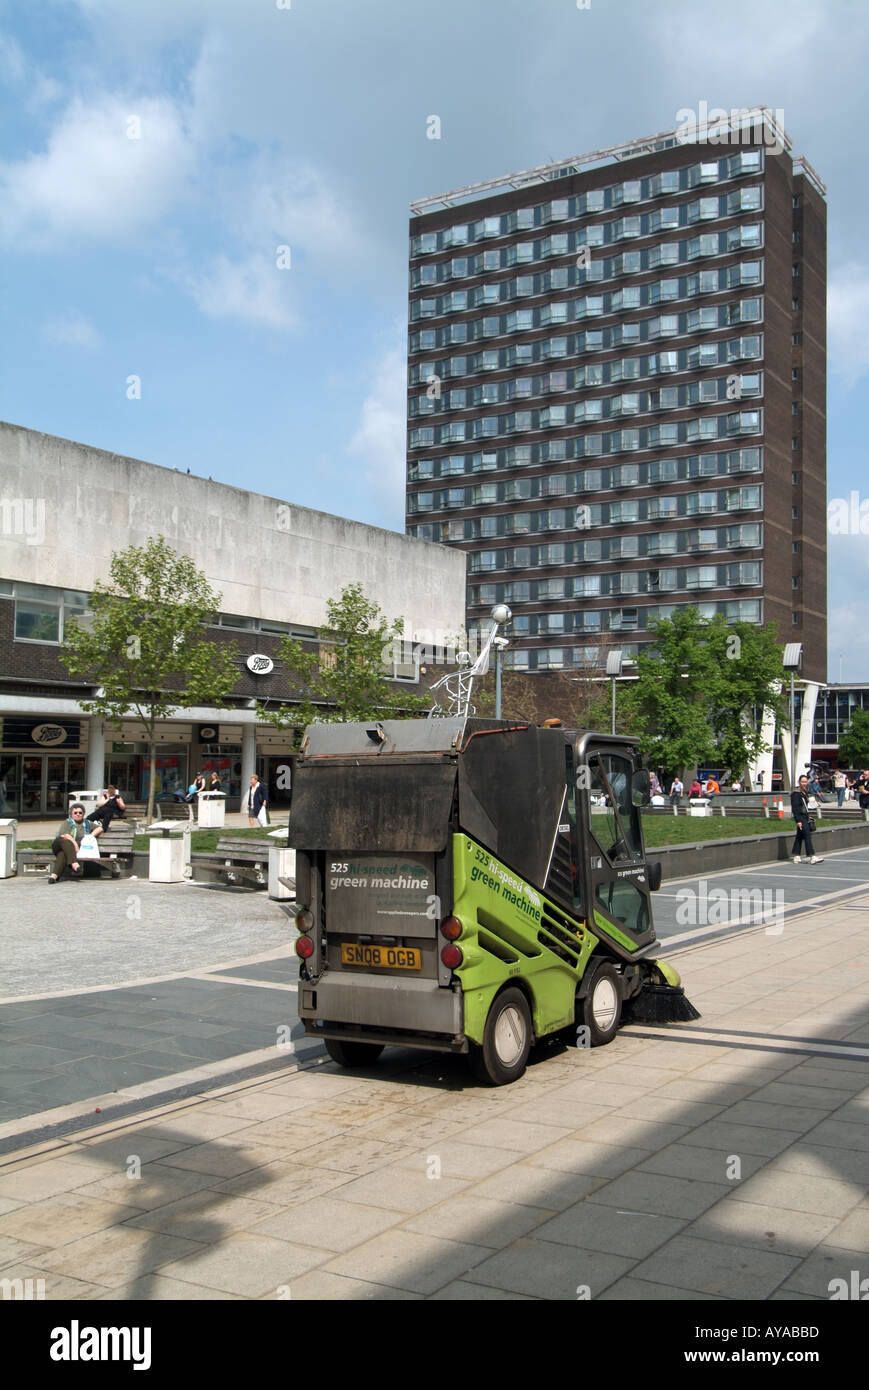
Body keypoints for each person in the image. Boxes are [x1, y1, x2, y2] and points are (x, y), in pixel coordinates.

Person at [49, 803, 102, 883]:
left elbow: (100, 828)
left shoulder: (87, 823)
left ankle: (54, 876)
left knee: (62, 854)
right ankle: (74, 863)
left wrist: (90, 836)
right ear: (71, 814)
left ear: (83, 814)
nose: (78, 814)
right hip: (59, 845)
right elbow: (65, 835)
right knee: (65, 840)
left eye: (80, 812)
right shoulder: (67, 822)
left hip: (69, 851)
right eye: (75, 813)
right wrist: (75, 845)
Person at [790, 774, 823, 865]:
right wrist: (798, 821)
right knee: (807, 835)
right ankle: (812, 856)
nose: (804, 783)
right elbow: (795, 808)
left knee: (800, 836)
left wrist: (816, 804)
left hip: (805, 816)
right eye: (802, 782)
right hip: (801, 817)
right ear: (799, 782)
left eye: (805, 782)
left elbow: (807, 805)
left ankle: (796, 856)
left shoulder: (805, 792)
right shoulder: (796, 794)